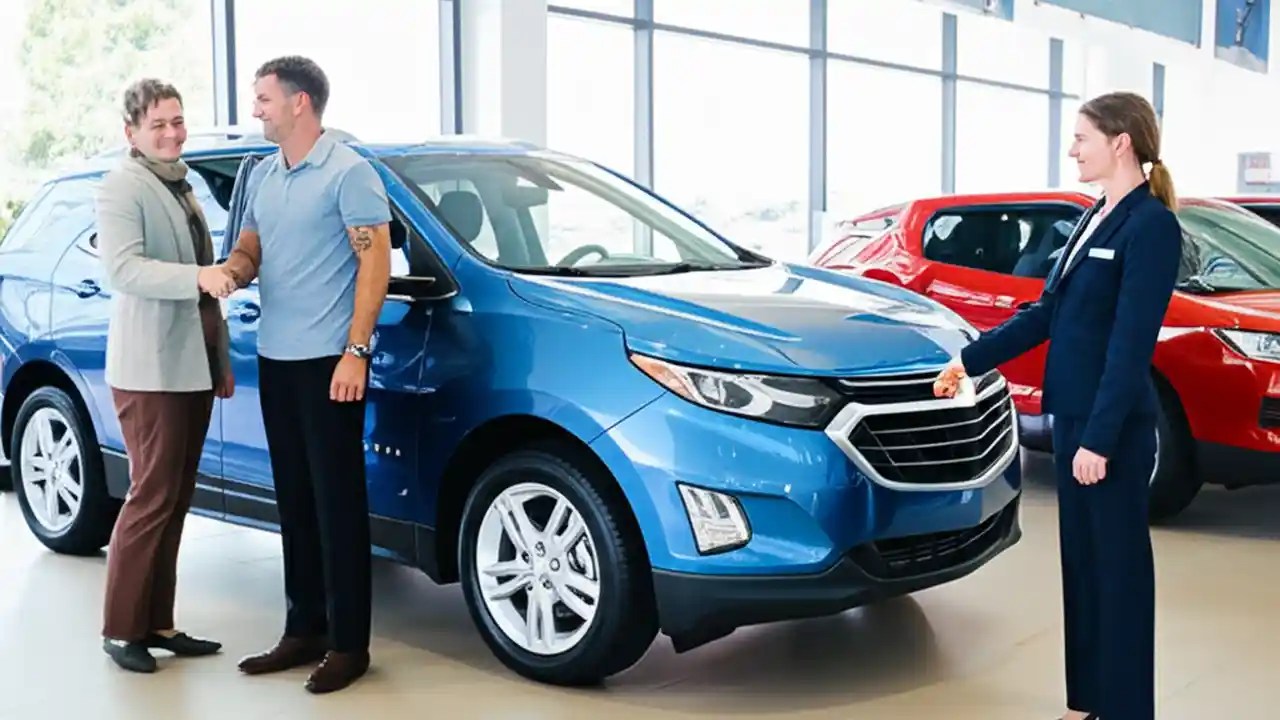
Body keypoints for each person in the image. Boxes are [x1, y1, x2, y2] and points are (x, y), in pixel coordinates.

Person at [934, 91, 1180, 720]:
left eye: (1082, 137)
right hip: (1072, 418)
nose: (1072, 148)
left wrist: (1099, 439)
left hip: (1112, 431)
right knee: (1083, 567)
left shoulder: (1150, 226)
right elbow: (1048, 312)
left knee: (1119, 573)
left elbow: (1130, 345)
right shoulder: (1095, 215)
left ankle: (1126, 707)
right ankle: (1090, 699)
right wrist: (970, 358)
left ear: (1120, 141)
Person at [217, 55, 392, 694]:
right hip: (276, 356)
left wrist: (357, 351)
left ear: (299, 103)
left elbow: (374, 266)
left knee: (337, 502)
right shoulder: (266, 173)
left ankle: (350, 645)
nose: (256, 108)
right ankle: (304, 628)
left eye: (263, 98)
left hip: (329, 360)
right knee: (293, 495)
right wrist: (233, 271)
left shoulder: (350, 173)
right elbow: (252, 245)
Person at [94, 78, 237, 673]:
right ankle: (121, 629)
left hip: (191, 363)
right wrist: (197, 280)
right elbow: (124, 269)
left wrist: (219, 360)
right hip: (150, 368)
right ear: (132, 133)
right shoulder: (122, 185)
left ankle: (159, 622)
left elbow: (204, 279)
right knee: (150, 497)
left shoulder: (180, 183)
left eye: (178, 120)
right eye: (159, 124)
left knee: (175, 498)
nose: (173, 132)